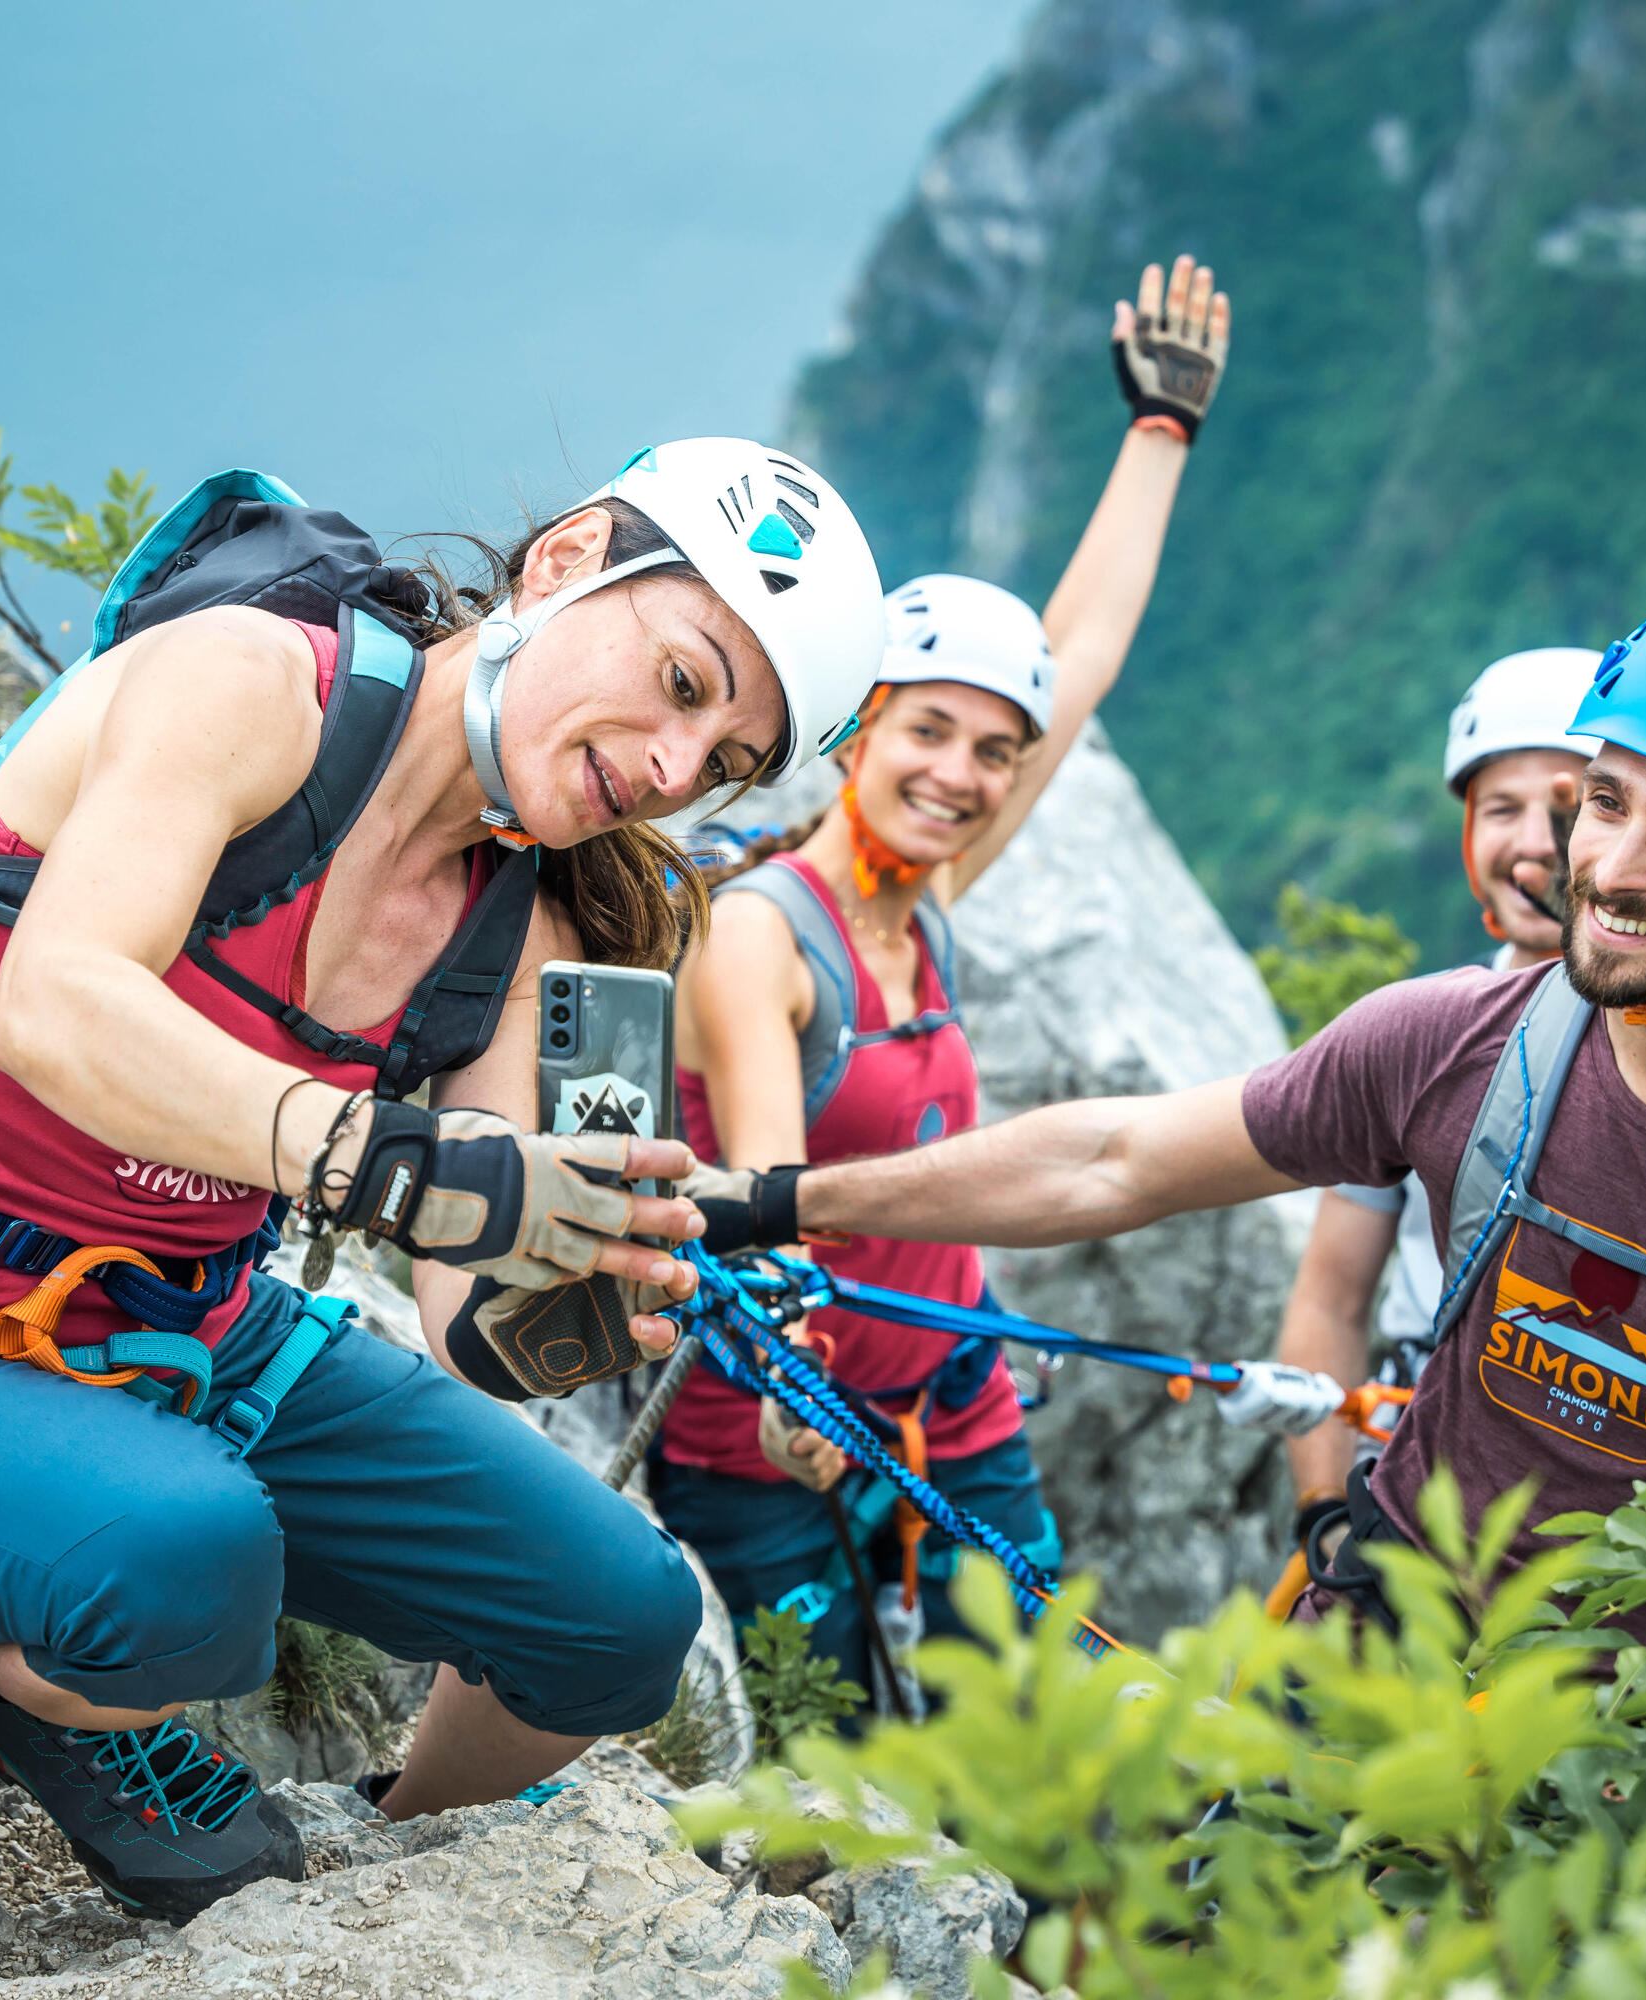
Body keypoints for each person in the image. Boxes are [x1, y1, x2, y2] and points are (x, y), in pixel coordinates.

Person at [0, 439, 885, 1919]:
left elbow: (468, 1314)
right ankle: (53, 1705)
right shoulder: (253, 684)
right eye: (687, 686)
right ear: (565, 566)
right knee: (188, 1551)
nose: (677, 771)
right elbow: (51, 1006)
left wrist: (578, 1293)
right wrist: (377, 1153)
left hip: (183, 1341)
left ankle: (376, 1863)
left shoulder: (527, 926)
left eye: (729, 765)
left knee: (620, 1616)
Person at [688, 580, 1646, 1634]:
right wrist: (781, 1199)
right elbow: (1116, 1162)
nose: (1608, 870)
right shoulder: (1451, 1043)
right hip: (1378, 1681)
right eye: (1607, 804)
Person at [656, 256, 1231, 1709]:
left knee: (1033, 1756)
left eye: (992, 749)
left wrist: (1159, 434)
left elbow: (1078, 660)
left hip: (955, 1407)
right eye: (927, 733)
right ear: (854, 737)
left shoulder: (928, 897)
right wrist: (797, 1395)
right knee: (834, 1802)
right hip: (772, 1441)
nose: (962, 775)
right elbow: (765, 1195)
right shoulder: (762, 939)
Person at [1274, 647, 1599, 1513]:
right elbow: (1330, 1300)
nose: (1534, 842)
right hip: (1411, 1466)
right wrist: (1325, 1516)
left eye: (1569, 806)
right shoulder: (1424, 1046)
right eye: (1502, 809)